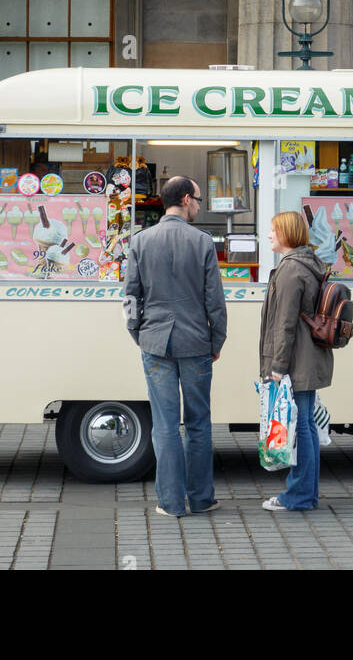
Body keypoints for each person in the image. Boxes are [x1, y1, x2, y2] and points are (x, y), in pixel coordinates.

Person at [123, 175, 227, 517]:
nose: (198, 204)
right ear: (185, 199)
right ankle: (201, 499)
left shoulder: (140, 241)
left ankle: (170, 502)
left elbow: (131, 295)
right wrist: (217, 339)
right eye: (197, 199)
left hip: (155, 344)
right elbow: (214, 300)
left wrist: (138, 332)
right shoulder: (202, 242)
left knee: (164, 424)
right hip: (196, 342)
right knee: (198, 422)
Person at [258, 211, 333, 512]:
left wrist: (277, 366)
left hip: (295, 361)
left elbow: (285, 324)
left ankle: (299, 496)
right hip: (307, 358)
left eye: (274, 230)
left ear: (287, 233)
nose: (269, 235)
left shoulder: (290, 270)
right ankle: (307, 494)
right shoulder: (307, 264)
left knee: (301, 427)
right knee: (306, 426)